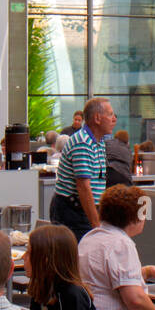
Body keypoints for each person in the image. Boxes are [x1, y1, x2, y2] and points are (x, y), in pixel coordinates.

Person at [50, 98, 114, 241]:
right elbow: (83, 188)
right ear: (97, 118)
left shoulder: (99, 141)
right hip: (72, 212)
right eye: (110, 115)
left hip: (81, 210)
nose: (114, 119)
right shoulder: (83, 143)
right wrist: (97, 226)